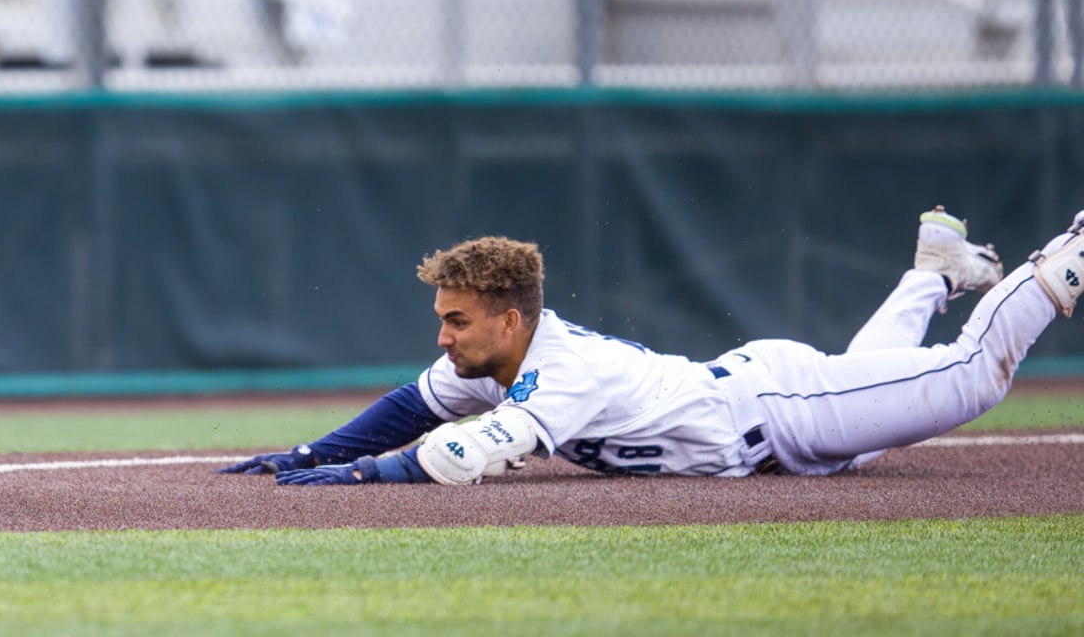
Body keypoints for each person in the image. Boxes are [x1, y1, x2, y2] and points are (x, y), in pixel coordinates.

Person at [218, 206, 1084, 485]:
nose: (442, 337)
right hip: (763, 424)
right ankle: (933, 273)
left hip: (773, 412)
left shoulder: (562, 372)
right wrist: (308, 452)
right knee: (867, 400)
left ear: (510, 320)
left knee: (973, 379)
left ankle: (1067, 259)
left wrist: (356, 478)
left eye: (457, 321)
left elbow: (456, 456)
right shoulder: (491, 362)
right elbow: (412, 407)